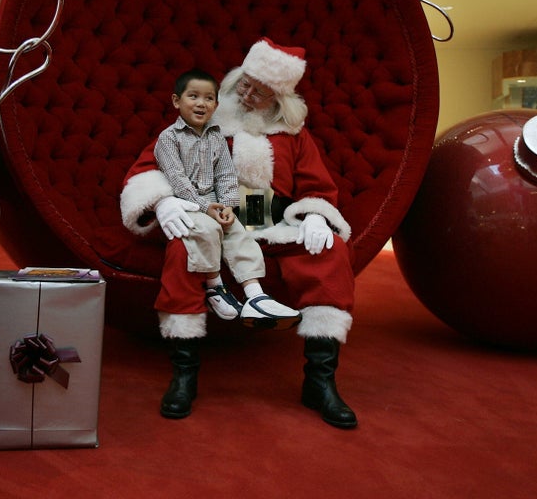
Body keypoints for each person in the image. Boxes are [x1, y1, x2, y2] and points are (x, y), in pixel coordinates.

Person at [120, 37, 358, 428]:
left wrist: (316, 216)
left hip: (274, 226)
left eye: (259, 93)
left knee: (330, 251)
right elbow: (149, 167)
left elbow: (317, 188)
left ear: (279, 99)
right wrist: (162, 202)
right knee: (183, 251)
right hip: (213, 220)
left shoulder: (294, 134)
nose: (246, 95)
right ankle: (184, 376)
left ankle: (320, 382)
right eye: (244, 84)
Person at [153, 68, 301, 328]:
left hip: (234, 202)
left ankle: (256, 296)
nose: (201, 103)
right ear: (176, 101)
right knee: (210, 229)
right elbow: (177, 180)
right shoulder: (169, 138)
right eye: (193, 96)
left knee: (239, 233)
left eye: (209, 98)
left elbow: (226, 174)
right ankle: (215, 288)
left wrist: (229, 205)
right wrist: (205, 207)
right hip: (188, 204)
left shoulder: (217, 135)